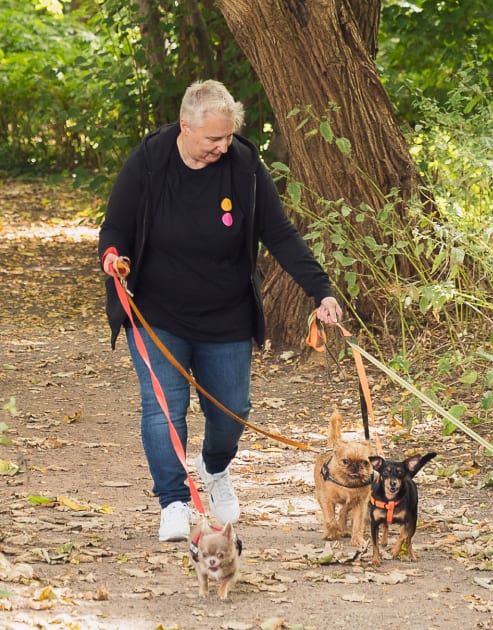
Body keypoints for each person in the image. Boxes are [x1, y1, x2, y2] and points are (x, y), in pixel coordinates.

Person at [98, 79, 343, 542]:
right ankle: (172, 501)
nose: (222, 146)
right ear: (185, 127)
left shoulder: (245, 167)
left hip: (226, 313)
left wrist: (321, 291)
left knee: (232, 411)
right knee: (164, 410)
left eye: (228, 136)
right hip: (157, 313)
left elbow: (281, 235)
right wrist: (112, 256)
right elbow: (115, 227)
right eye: (213, 138)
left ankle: (215, 470)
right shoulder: (149, 162)